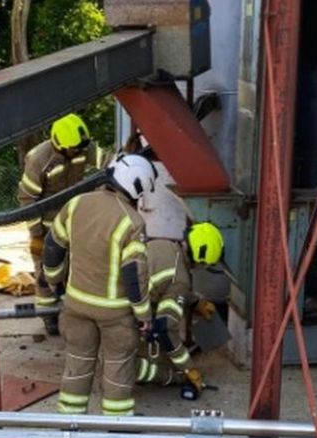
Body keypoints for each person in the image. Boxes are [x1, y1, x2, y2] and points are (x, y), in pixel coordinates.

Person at [41, 153, 158, 416]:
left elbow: (52, 247)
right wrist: (144, 315)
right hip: (115, 314)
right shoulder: (132, 222)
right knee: (117, 366)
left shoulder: (75, 204)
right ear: (136, 187)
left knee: (78, 363)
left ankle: (71, 424)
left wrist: (54, 281)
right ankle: (117, 425)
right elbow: (134, 275)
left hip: (76, 305)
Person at [17, 113, 107, 334]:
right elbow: (27, 199)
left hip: (75, 223)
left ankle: (74, 311)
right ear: (60, 145)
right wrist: (36, 235)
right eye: (75, 150)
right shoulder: (39, 159)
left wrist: (125, 158)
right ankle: (49, 318)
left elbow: (107, 162)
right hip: (48, 229)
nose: (80, 153)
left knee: (76, 268)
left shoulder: (82, 147)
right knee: (45, 274)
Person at [136, 222, 224, 400]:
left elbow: (165, 285)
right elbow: (166, 328)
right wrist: (188, 368)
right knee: (135, 369)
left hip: (111, 305)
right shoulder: (181, 279)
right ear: (201, 260)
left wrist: (195, 300)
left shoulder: (164, 245)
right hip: (117, 323)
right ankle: (168, 376)